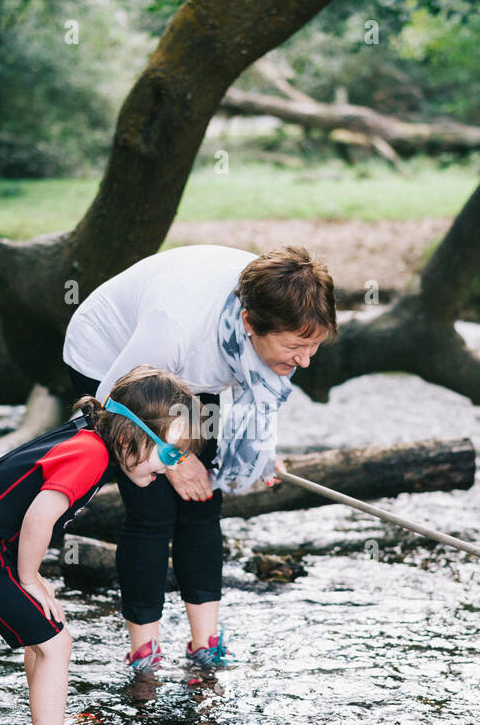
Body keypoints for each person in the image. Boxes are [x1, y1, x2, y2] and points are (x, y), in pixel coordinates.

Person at [63, 244, 337, 673]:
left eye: (314, 345)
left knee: (202, 503)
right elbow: (113, 403)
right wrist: (173, 457)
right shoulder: (176, 328)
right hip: (114, 370)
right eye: (296, 347)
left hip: (188, 372)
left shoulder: (276, 306)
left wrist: (259, 453)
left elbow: (257, 399)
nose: (304, 359)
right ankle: (144, 653)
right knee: (151, 511)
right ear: (249, 324)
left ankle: (204, 645)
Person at [0, 365, 200, 725]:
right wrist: (29, 578)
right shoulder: (91, 455)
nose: (169, 467)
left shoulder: (88, 438)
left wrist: (34, 576)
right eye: (168, 453)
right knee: (56, 645)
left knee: (46, 636)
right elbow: (40, 516)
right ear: (131, 433)